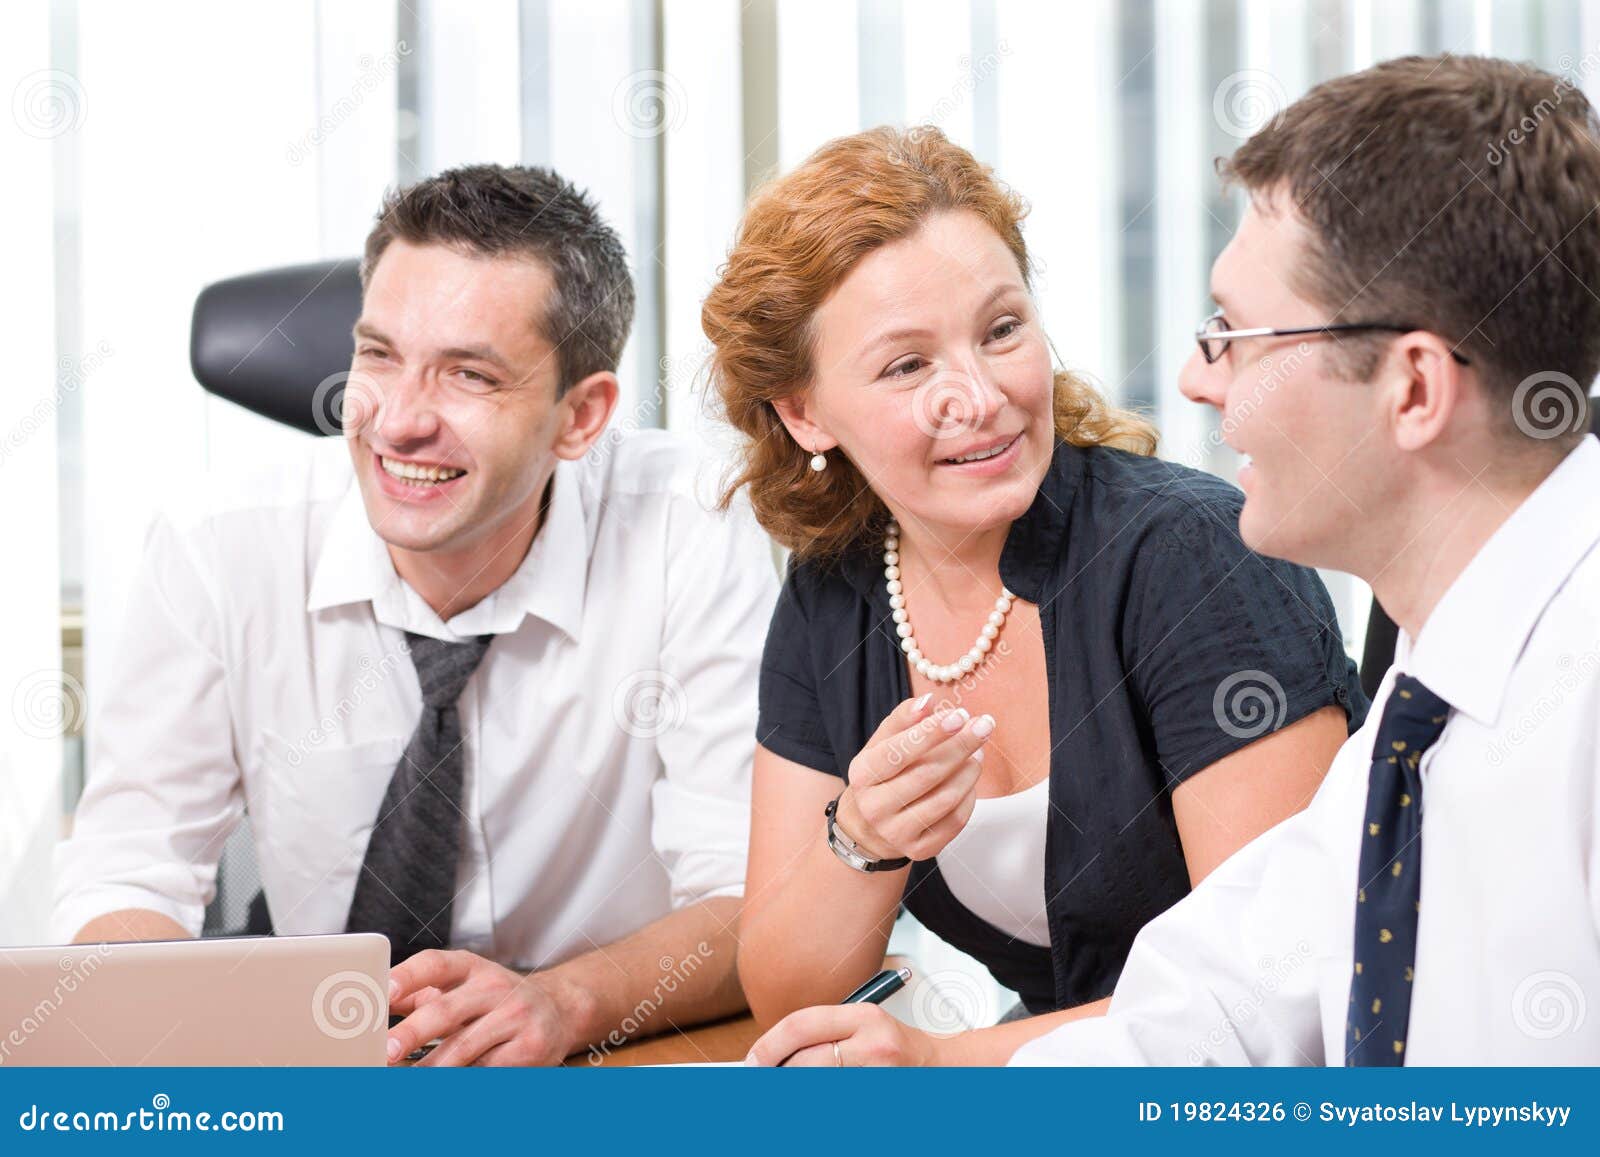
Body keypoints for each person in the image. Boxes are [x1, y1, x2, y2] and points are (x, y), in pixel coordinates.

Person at [52, 164, 778, 1066]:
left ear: (580, 417)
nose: (397, 422)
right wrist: (172, 1040)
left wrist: (562, 1003)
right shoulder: (218, 543)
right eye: (379, 355)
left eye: (468, 376)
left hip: (596, 1055)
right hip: (311, 1058)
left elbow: (753, 898)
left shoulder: (690, 534)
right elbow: (130, 863)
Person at [713, 126, 1368, 1067]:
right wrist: (861, 838)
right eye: (907, 365)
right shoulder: (837, 590)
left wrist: (943, 1065)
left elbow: (1278, 993)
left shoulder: (1194, 558)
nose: (978, 396)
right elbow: (788, 996)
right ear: (803, 411)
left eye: (1001, 330)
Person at [1009, 53, 1600, 1066]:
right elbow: (1225, 1000)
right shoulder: (1429, 690)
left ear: (1412, 388)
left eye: (1233, 332)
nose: (1196, 379)